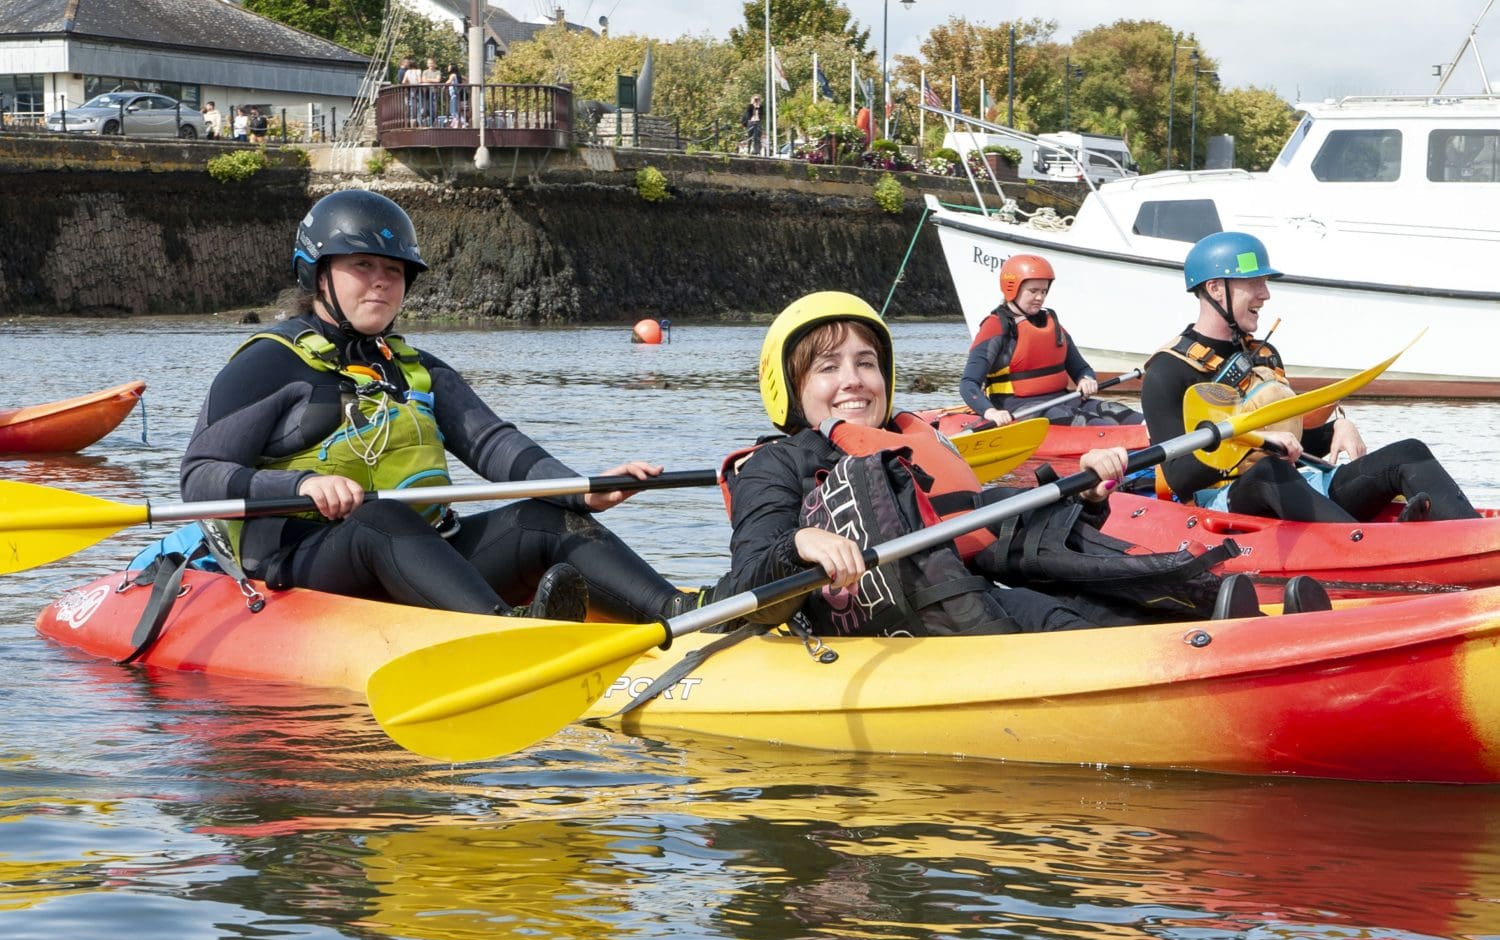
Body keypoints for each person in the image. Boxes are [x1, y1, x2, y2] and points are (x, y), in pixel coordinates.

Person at [180, 190, 704, 622]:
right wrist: (300, 486)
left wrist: (581, 491)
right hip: (307, 564)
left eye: (395, 269)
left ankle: (683, 614)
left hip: (423, 555)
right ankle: (503, 631)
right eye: (362, 265)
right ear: (317, 274)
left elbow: (495, 444)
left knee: (541, 519)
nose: (382, 280)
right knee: (380, 517)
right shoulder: (268, 362)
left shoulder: (417, 367)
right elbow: (200, 476)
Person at [713, 291, 1296, 637]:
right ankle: (1228, 658)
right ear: (789, 387)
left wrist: (1082, 498)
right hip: (894, 625)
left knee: (1113, 599)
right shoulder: (776, 466)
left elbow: (989, 526)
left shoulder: (911, 446)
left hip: (961, 597)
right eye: (828, 368)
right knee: (1065, 626)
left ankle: (1248, 627)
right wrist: (803, 545)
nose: (853, 382)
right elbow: (747, 582)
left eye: (866, 364)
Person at [1140, 231, 1479, 523]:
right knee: (1269, 471)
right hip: (1222, 503)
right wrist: (1253, 443)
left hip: (1290, 487)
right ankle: (1367, 547)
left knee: (1408, 451)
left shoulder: (1264, 356)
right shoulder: (1168, 370)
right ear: (1215, 289)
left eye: (1265, 283)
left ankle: (1474, 537)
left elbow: (1292, 444)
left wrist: (1334, 431)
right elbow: (1179, 477)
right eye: (1253, 283)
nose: (1265, 293)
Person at [960, 254, 1142, 427]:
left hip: (1064, 400)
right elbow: (968, 383)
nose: (1040, 297)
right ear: (1012, 288)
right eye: (1033, 291)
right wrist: (990, 412)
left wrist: (1086, 379)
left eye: (1044, 291)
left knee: (1120, 413)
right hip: (1021, 409)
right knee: (1094, 424)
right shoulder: (995, 327)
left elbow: (1081, 368)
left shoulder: (1051, 324)